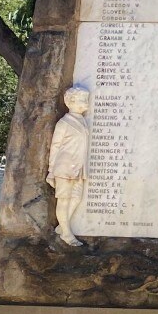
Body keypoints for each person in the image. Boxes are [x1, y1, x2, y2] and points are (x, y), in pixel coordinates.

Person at [47, 86, 90, 247]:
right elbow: (55, 147)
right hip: (64, 168)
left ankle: (62, 226)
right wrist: (51, 170)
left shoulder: (82, 121)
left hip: (79, 167)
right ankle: (67, 233)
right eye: (82, 99)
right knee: (64, 200)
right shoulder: (63, 123)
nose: (86, 103)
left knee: (77, 198)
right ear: (71, 102)